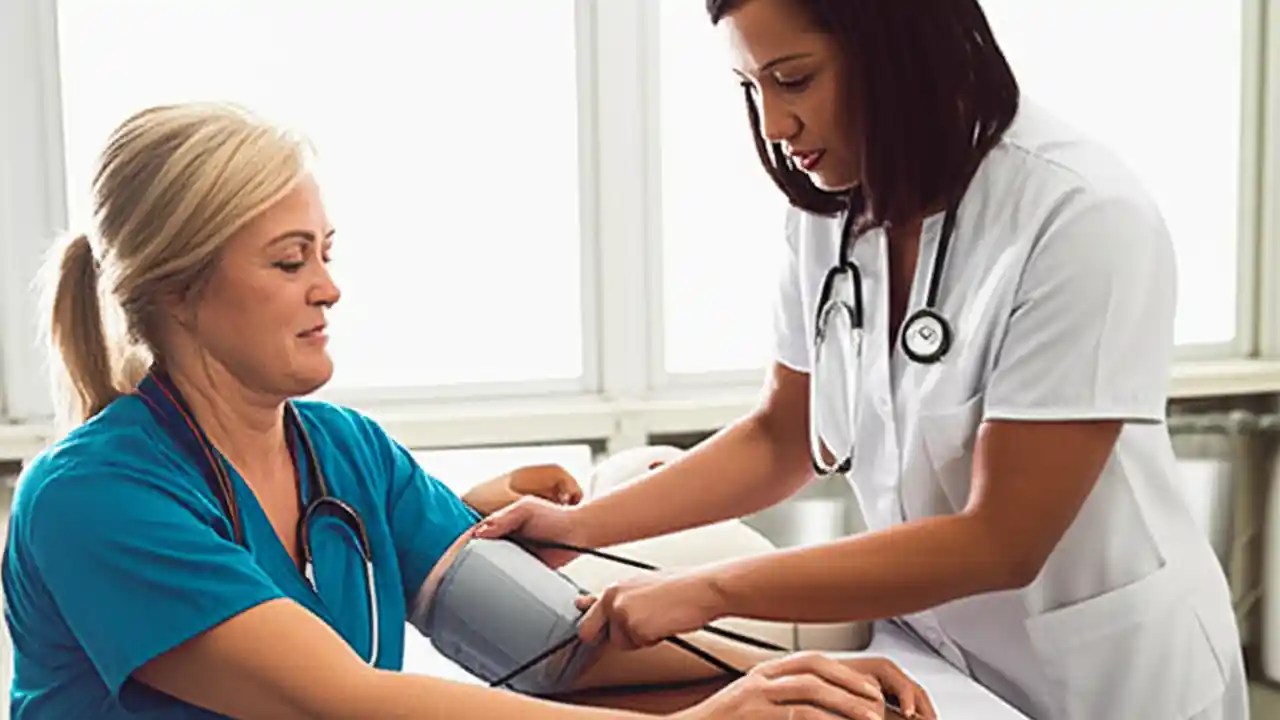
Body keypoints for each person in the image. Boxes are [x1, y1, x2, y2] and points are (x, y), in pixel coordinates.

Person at [0, 101, 934, 720]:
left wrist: (789, 677)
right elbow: (337, 701)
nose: (329, 288)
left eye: (327, 251)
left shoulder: (342, 452)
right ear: (176, 291)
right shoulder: (94, 499)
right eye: (289, 261)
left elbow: (546, 646)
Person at [477, 1, 1251, 718]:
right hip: (936, 654)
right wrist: (583, 525)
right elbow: (783, 438)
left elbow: (1004, 539)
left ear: (899, 43)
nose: (776, 124)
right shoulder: (832, 204)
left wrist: (710, 591)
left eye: (794, 79)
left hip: (1111, 677)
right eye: (751, 87)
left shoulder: (1081, 214)